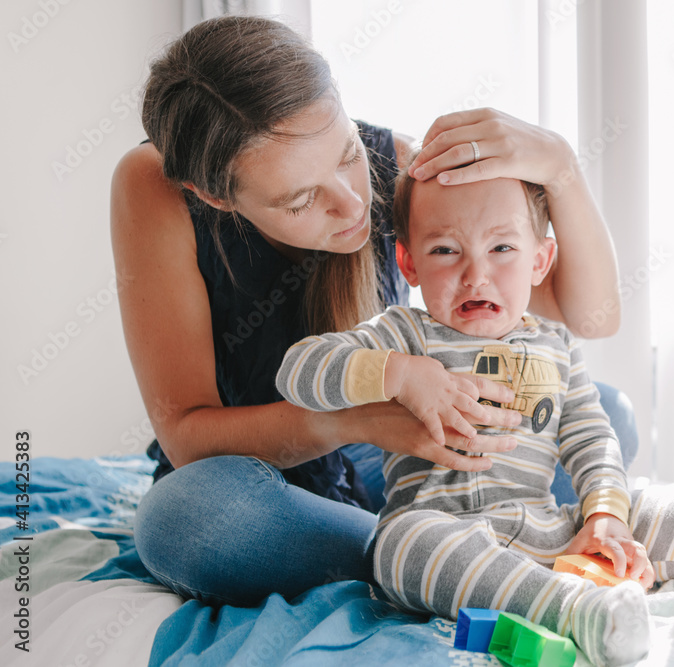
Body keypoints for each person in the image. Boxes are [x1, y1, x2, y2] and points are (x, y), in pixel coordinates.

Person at [275, 164, 674, 667]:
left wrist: (606, 517)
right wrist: (396, 374)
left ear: (539, 260)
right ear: (408, 262)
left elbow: (590, 437)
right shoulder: (402, 332)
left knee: (661, 504)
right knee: (400, 543)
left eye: (501, 247)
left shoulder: (554, 344)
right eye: (444, 251)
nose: (476, 274)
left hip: (546, 528)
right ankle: (575, 612)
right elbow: (298, 372)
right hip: (444, 533)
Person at [112, 15, 632, 607]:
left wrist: (562, 169)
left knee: (608, 414)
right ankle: (423, 553)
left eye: (347, 152)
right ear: (214, 196)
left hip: (382, 464)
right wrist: (357, 418)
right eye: (302, 199)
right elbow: (184, 435)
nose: (354, 202)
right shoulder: (154, 185)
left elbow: (593, 317)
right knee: (185, 519)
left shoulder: (406, 166)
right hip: (263, 473)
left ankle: (446, 554)